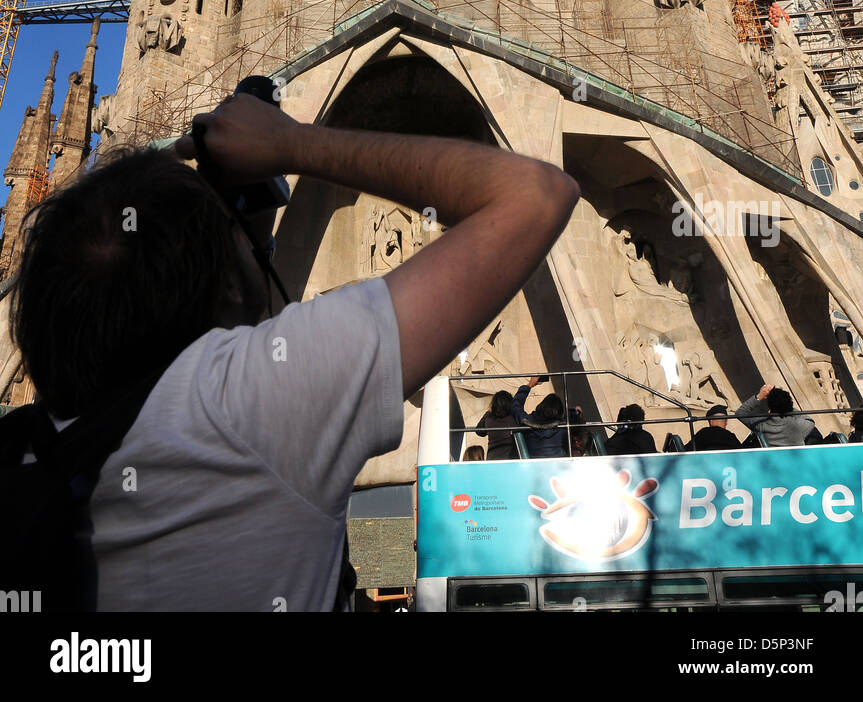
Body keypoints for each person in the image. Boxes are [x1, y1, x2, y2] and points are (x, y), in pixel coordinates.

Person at [7, 92, 579, 611]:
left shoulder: (24, 452)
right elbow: (535, 193)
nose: (265, 243)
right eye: (247, 237)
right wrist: (291, 142)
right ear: (228, 283)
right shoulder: (245, 401)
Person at [734, 384, 815, 448]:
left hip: (774, 466)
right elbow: (809, 420)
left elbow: (740, 413)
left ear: (770, 406)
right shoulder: (798, 425)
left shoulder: (762, 424)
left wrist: (759, 396)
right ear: (789, 403)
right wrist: (786, 405)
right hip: (797, 465)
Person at [510, 375, 568, 458]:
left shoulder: (527, 421)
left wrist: (529, 385)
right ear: (559, 411)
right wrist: (579, 415)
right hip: (558, 466)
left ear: (541, 406)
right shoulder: (564, 426)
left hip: (534, 465)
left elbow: (515, 406)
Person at [476, 390, 517, 461]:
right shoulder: (513, 417)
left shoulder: (489, 417)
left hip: (492, 458)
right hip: (510, 458)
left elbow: (479, 431)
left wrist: (488, 412)